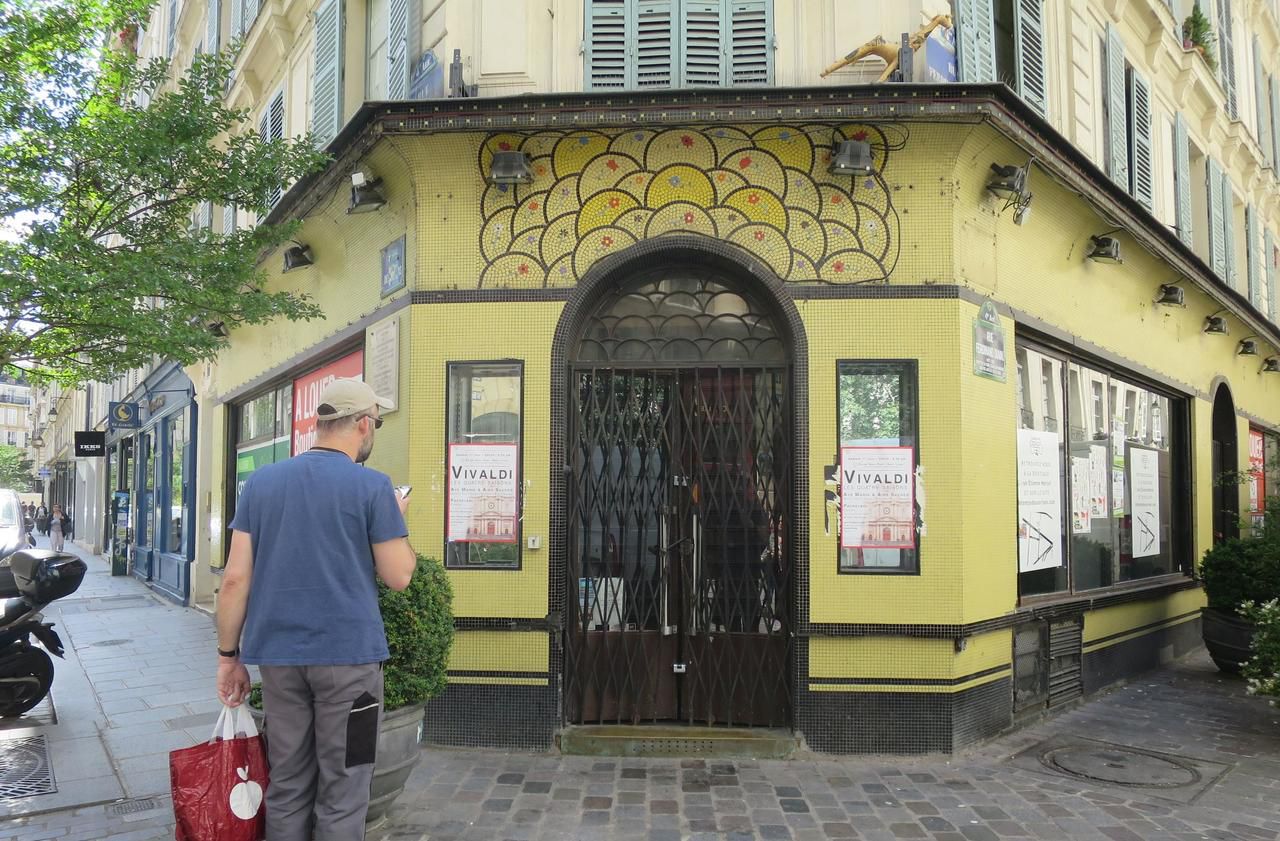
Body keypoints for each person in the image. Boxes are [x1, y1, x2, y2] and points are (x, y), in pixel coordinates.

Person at [215, 378, 416, 841]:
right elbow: (399, 576)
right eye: (377, 424)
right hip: (350, 663)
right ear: (364, 425)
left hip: (280, 662)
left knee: (287, 782)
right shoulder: (372, 487)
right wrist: (396, 518)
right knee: (345, 785)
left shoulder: (261, 482)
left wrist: (229, 657)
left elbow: (233, 580)